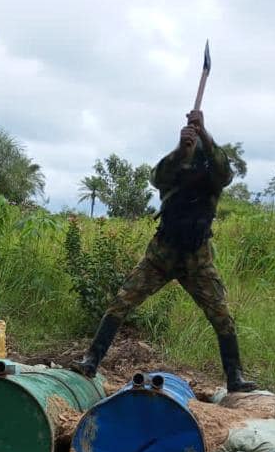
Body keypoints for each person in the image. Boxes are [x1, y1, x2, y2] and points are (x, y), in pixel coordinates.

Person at [71, 110, 256, 392]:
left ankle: (235, 378)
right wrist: (180, 149)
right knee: (121, 303)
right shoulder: (172, 170)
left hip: (197, 260)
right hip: (161, 256)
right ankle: (91, 361)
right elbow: (157, 176)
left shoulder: (214, 175)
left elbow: (225, 171)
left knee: (221, 315)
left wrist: (204, 132)